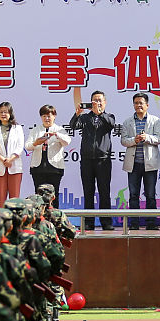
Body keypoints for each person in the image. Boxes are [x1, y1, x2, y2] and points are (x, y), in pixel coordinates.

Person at [68, 89, 118, 230]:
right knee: (88, 191)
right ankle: (89, 222)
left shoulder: (109, 116)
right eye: (94, 100)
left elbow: (111, 125)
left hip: (103, 160)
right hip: (87, 160)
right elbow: (73, 126)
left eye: (99, 100)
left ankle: (106, 222)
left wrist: (100, 113)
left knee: (104, 191)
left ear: (105, 102)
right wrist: (77, 114)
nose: (97, 103)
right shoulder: (85, 118)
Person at [121, 92, 160, 230]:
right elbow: (123, 141)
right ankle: (134, 224)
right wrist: (134, 140)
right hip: (133, 164)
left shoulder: (155, 120)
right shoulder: (127, 122)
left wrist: (147, 137)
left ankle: (151, 223)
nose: (138, 105)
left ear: (147, 105)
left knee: (150, 195)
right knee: (133, 195)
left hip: (150, 164)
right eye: (136, 103)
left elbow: (159, 138)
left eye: (141, 103)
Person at [0, 101, 25, 208]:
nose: (3, 114)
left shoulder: (17, 128)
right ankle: (1, 219)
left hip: (14, 166)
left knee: (14, 200)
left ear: (10, 113)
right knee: (1, 199)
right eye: (1, 112)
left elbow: (20, 147)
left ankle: (14, 219)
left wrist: (10, 160)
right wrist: (4, 160)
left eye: (5, 112)